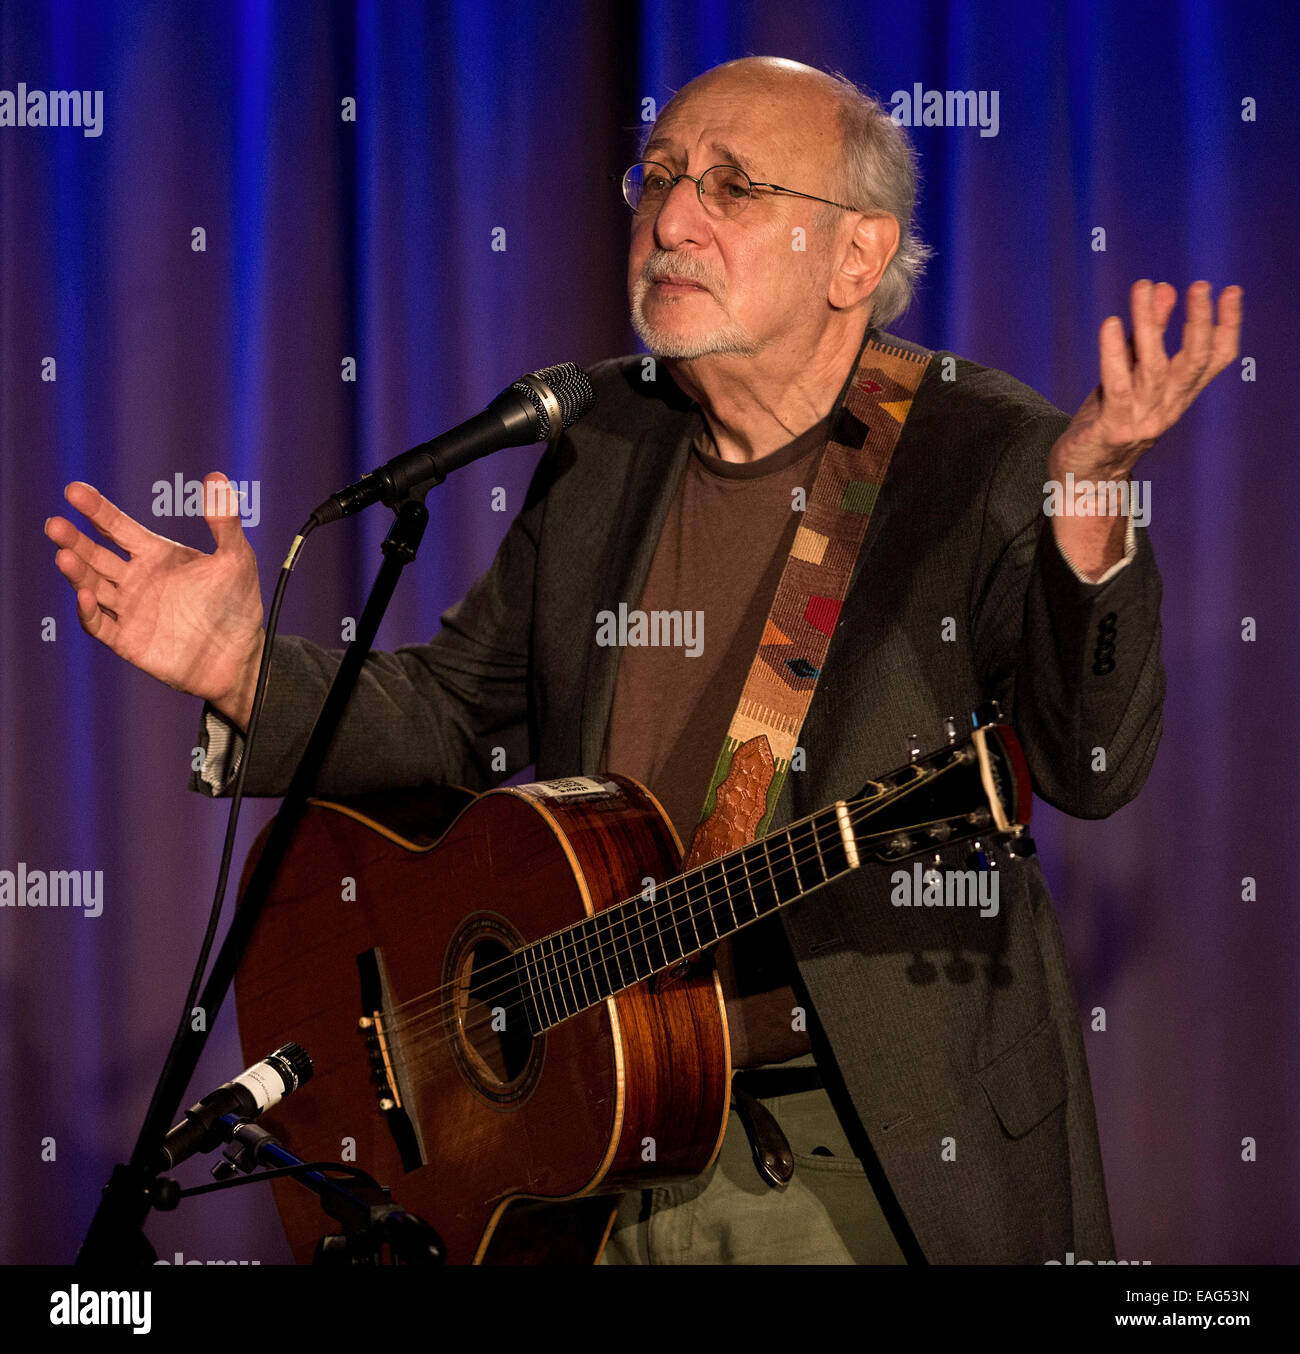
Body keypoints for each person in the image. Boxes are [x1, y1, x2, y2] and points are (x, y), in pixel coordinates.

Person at [45, 57, 1241, 1264]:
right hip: (588, 1142)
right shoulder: (607, 433)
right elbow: (459, 712)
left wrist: (1088, 510)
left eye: (730, 187)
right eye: (659, 176)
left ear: (856, 258)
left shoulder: (982, 453)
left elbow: (1086, 765)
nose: (670, 219)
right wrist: (244, 671)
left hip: (855, 1149)